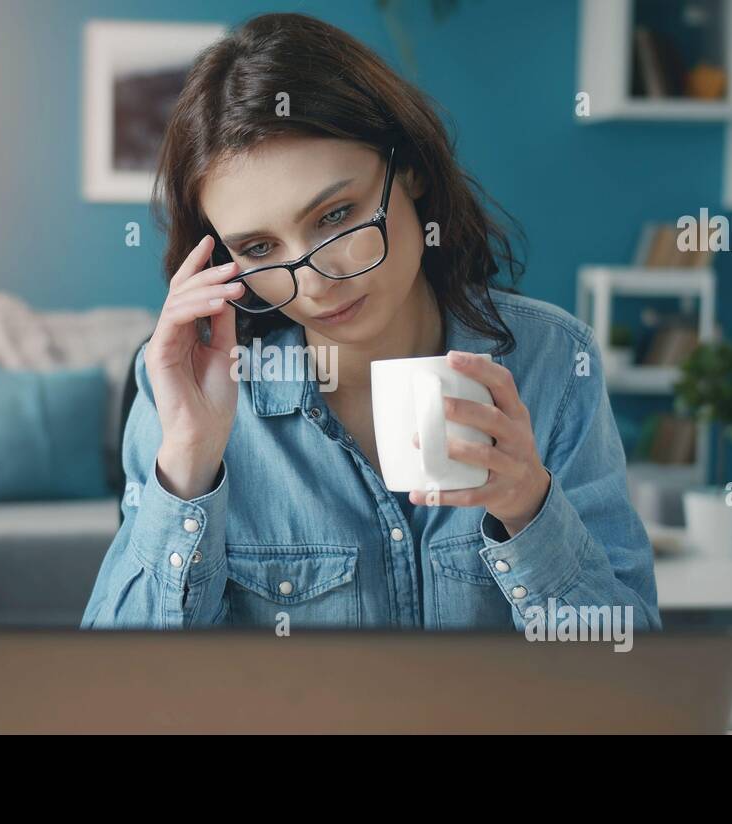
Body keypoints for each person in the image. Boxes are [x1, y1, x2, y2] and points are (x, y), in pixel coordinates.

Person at [82, 12, 659, 631]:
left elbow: (627, 669)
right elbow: (124, 688)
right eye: (258, 250)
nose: (315, 281)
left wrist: (530, 511)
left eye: (335, 216)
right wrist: (190, 461)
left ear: (407, 167)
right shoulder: (189, 388)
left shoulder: (551, 360)